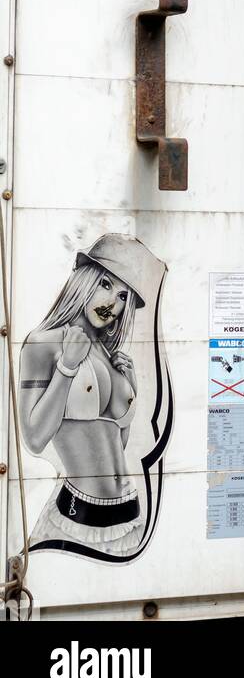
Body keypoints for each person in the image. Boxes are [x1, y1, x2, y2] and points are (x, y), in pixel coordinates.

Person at [18, 235, 155, 557]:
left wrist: (129, 387)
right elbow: (34, 438)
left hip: (130, 516)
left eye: (124, 296)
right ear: (84, 280)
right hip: (76, 520)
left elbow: (114, 445)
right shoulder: (45, 342)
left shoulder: (108, 353)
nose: (113, 305)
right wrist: (66, 367)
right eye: (105, 285)